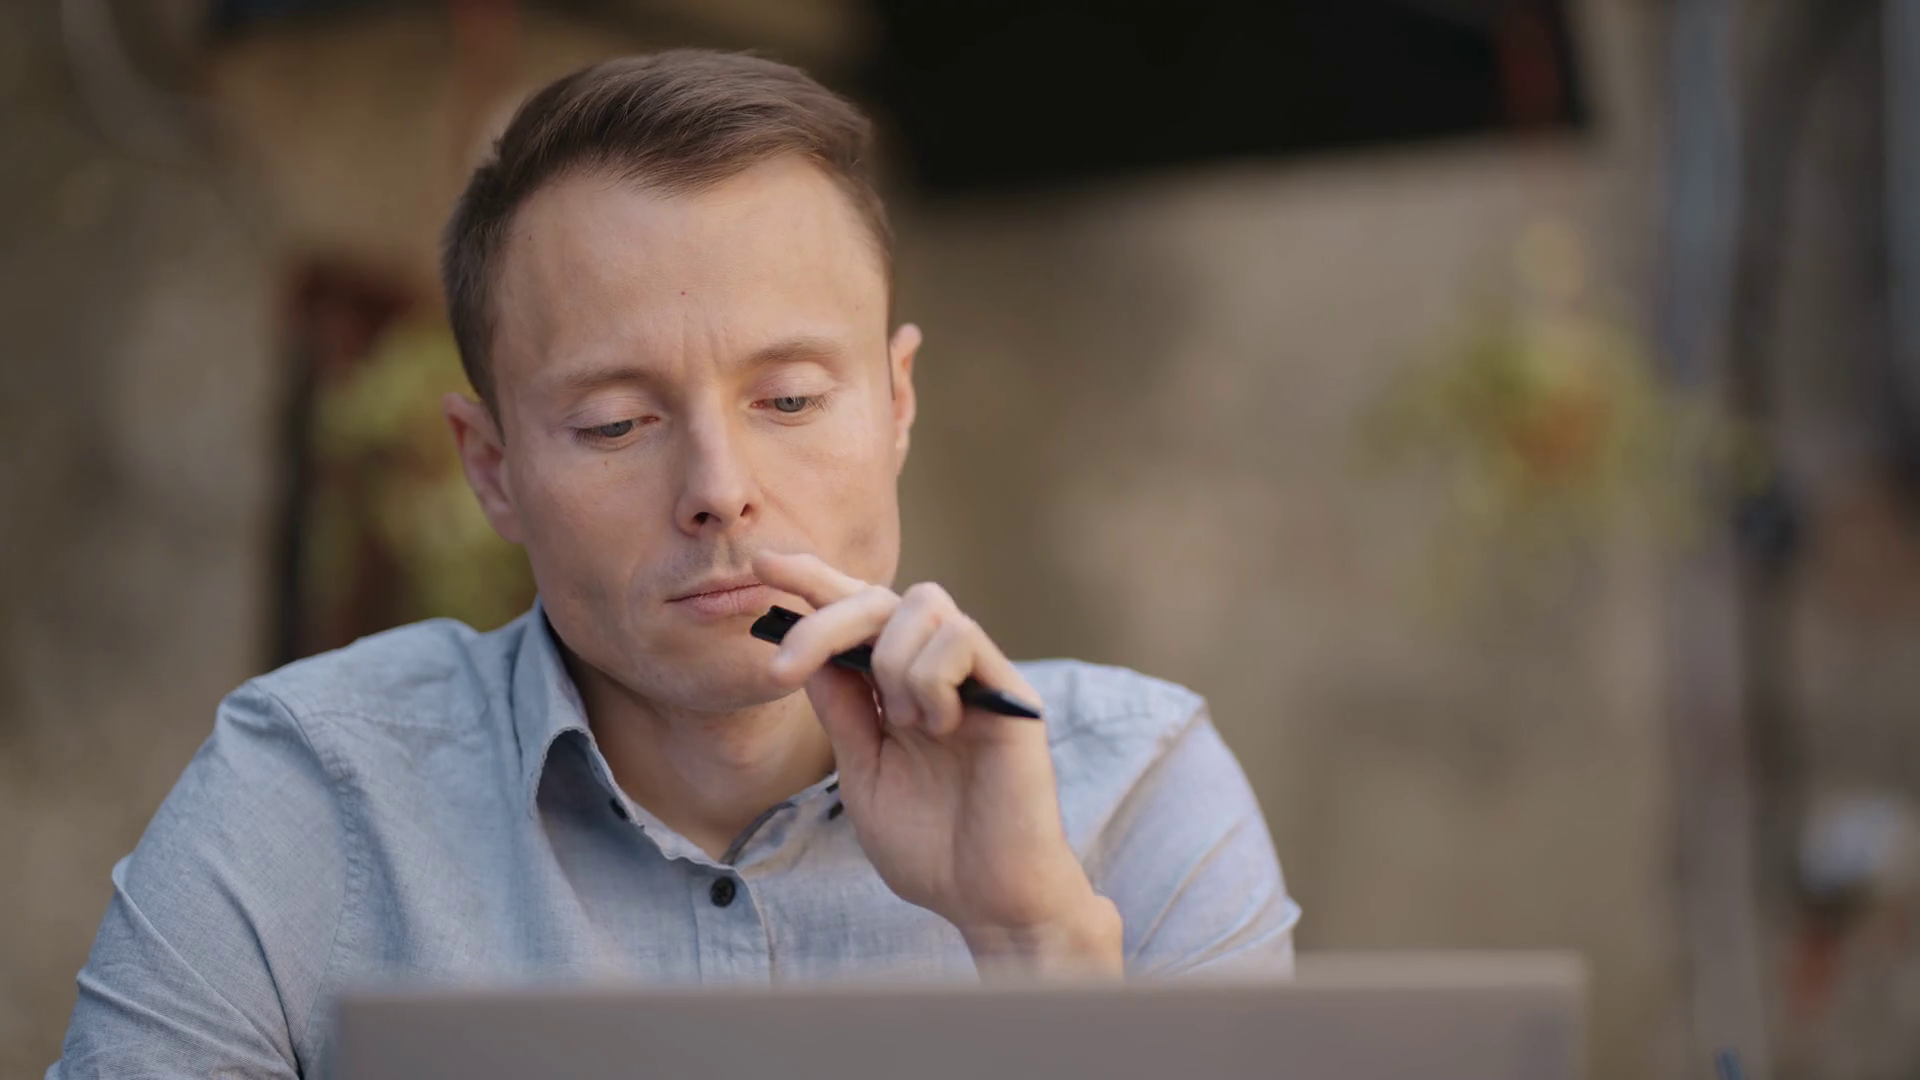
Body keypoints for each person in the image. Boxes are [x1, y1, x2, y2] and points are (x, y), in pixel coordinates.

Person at [48, 49, 1299, 1079]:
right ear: (489, 469)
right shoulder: (312, 801)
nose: (718, 490)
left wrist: (1037, 942)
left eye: (794, 398)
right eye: (614, 424)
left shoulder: (1139, 791)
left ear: (900, 402)